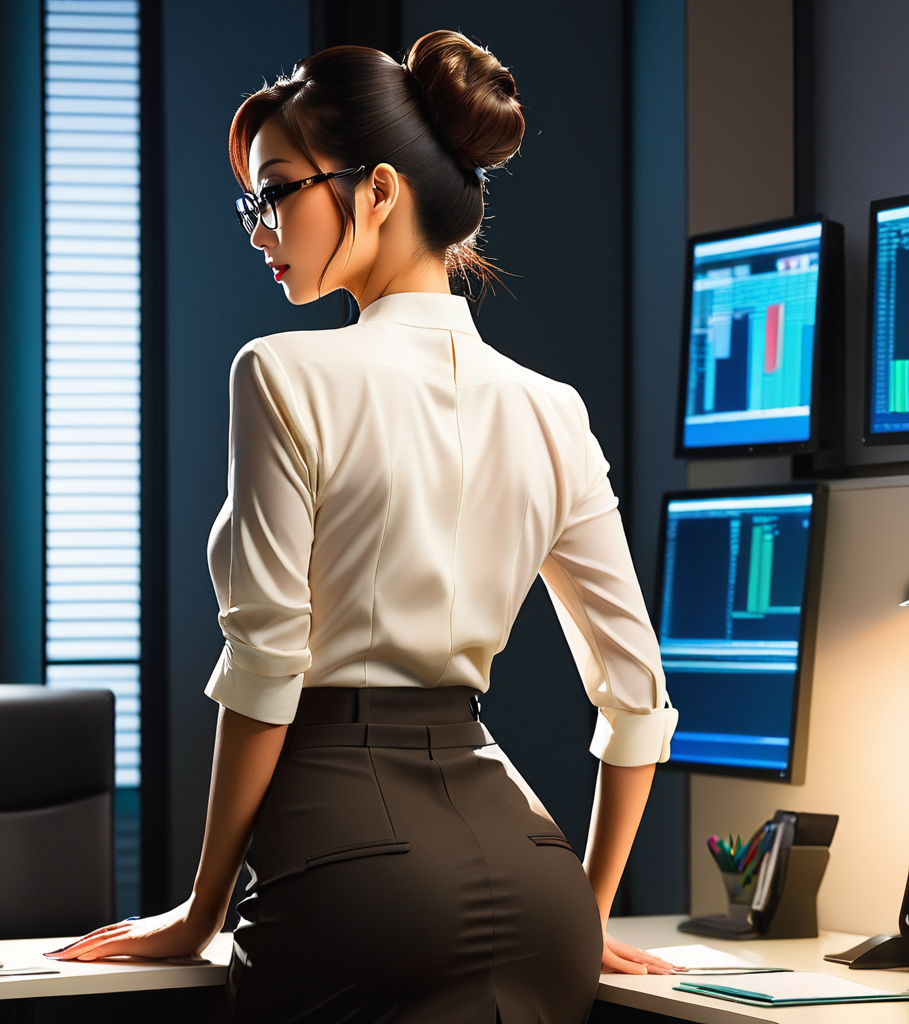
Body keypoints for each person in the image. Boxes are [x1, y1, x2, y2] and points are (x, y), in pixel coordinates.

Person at [47, 29, 679, 1023]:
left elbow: (265, 666)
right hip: (537, 884)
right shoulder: (552, 407)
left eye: (279, 190)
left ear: (377, 190)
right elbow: (638, 697)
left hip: (358, 878)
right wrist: (587, 911)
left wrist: (199, 909)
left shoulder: (282, 373)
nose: (258, 228)